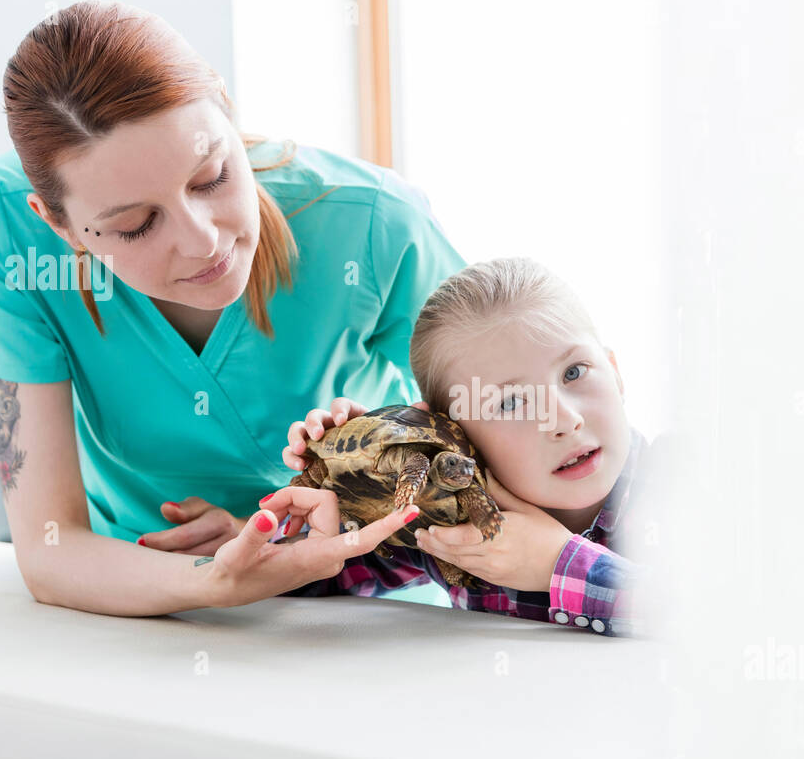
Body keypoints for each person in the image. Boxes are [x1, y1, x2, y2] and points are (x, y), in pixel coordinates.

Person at [0, 0, 463, 615]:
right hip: (129, 588)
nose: (203, 239)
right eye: (135, 225)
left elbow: (507, 468)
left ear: (228, 112)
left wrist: (276, 535)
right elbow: (51, 552)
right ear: (59, 225)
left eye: (211, 177)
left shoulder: (373, 223)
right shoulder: (4, 222)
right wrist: (215, 578)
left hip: (364, 588)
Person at [277, 258, 657, 636]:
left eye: (573, 372)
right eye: (510, 402)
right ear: (457, 437)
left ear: (615, 372)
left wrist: (556, 563)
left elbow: (704, 623)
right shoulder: (450, 525)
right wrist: (349, 479)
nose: (564, 419)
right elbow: (297, 582)